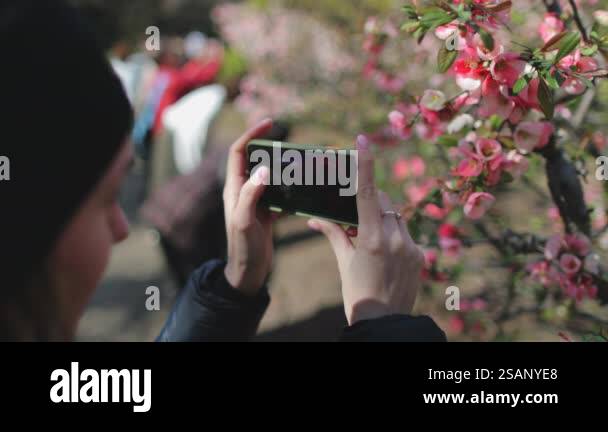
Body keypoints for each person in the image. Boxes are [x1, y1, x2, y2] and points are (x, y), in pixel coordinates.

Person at [0, 0, 446, 342]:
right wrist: (385, 329)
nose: (120, 228)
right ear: (29, 222)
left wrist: (235, 283)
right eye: (107, 198)